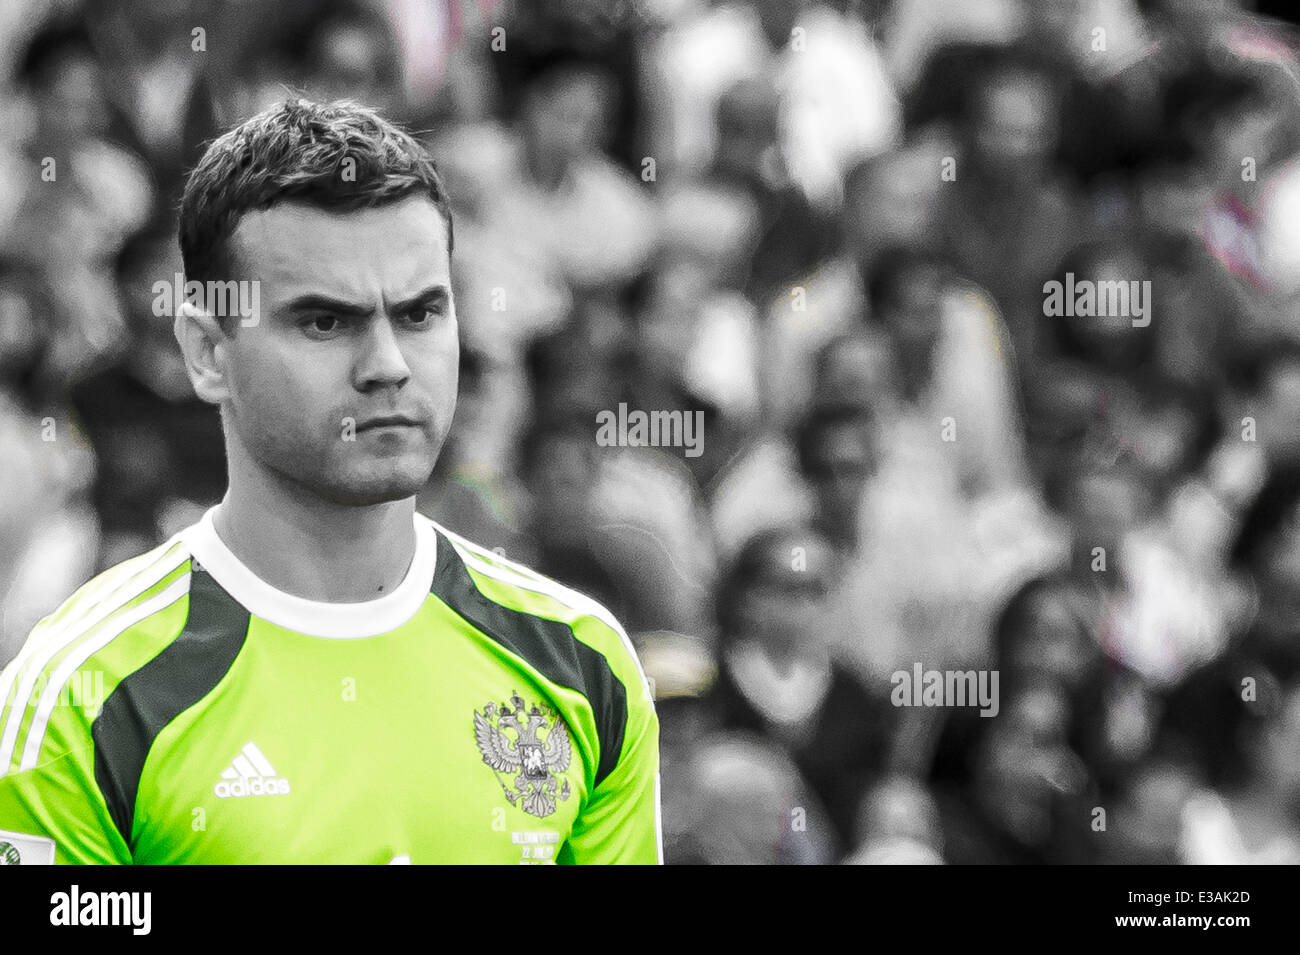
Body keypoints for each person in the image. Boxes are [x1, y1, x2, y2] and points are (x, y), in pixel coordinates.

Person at [0, 99, 660, 865]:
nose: (389, 364)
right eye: (324, 321)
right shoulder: (83, 696)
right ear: (208, 352)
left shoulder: (584, 666)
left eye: (420, 313)